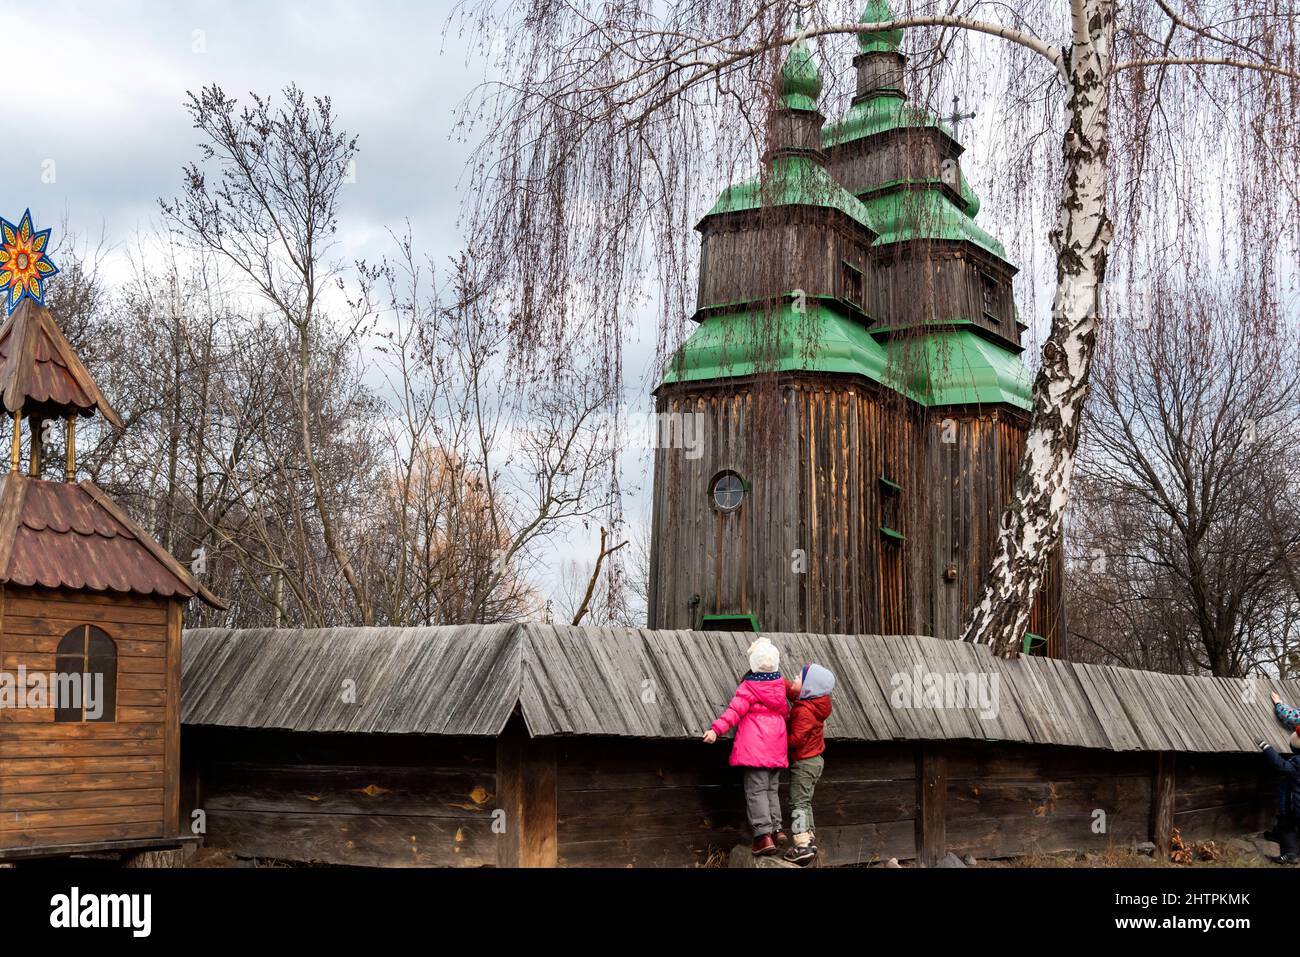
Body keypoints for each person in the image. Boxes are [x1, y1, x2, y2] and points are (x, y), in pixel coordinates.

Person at [702, 636, 789, 856]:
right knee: (771, 790)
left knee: (756, 791)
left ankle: (762, 836)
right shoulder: (779, 688)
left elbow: (733, 712)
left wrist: (715, 730)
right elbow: (786, 714)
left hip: (756, 749)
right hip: (777, 747)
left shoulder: (749, 688)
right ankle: (777, 829)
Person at [783, 663, 834, 864]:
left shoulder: (804, 711)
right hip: (814, 761)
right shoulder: (813, 703)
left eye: (799, 676)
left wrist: (778, 742)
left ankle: (801, 843)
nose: (794, 676)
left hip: (805, 762)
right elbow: (794, 692)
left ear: (808, 688)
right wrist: (778, 681)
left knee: (797, 802)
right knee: (805, 802)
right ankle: (809, 839)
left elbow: (796, 739)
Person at [1259, 692, 1300, 864]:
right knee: (1284, 821)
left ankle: (1290, 854)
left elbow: (1292, 716)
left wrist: (1279, 704)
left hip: (1295, 804)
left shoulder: (1297, 762)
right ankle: (1277, 834)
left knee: (1288, 824)